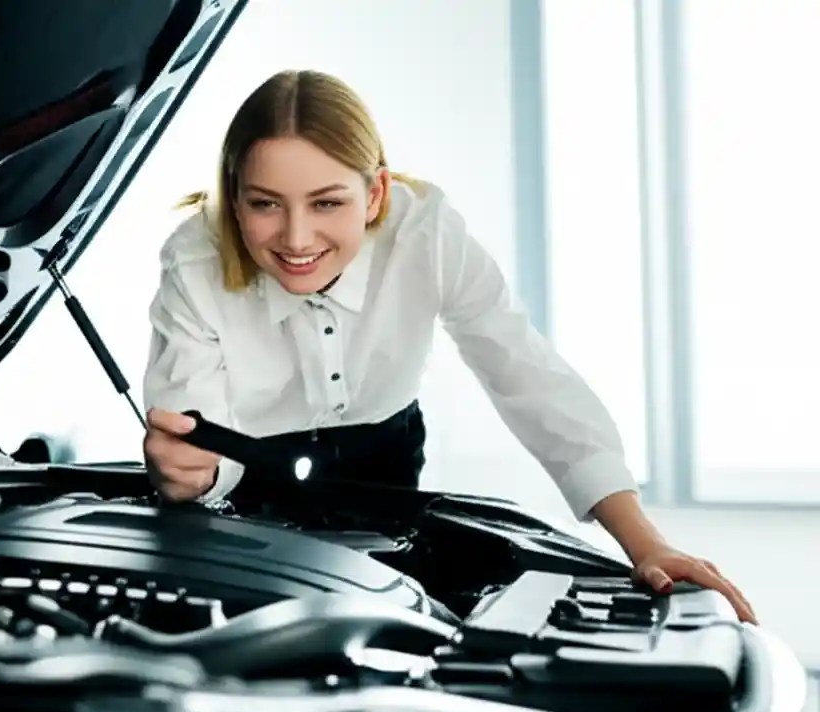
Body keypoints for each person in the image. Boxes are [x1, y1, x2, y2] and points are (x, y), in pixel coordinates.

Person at [139, 69, 757, 624]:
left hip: (382, 459)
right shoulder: (193, 261)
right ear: (235, 196)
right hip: (248, 474)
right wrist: (196, 472)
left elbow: (525, 371)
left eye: (328, 202)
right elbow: (196, 433)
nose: (296, 237)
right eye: (265, 205)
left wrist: (644, 543)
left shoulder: (427, 234)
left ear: (376, 194)